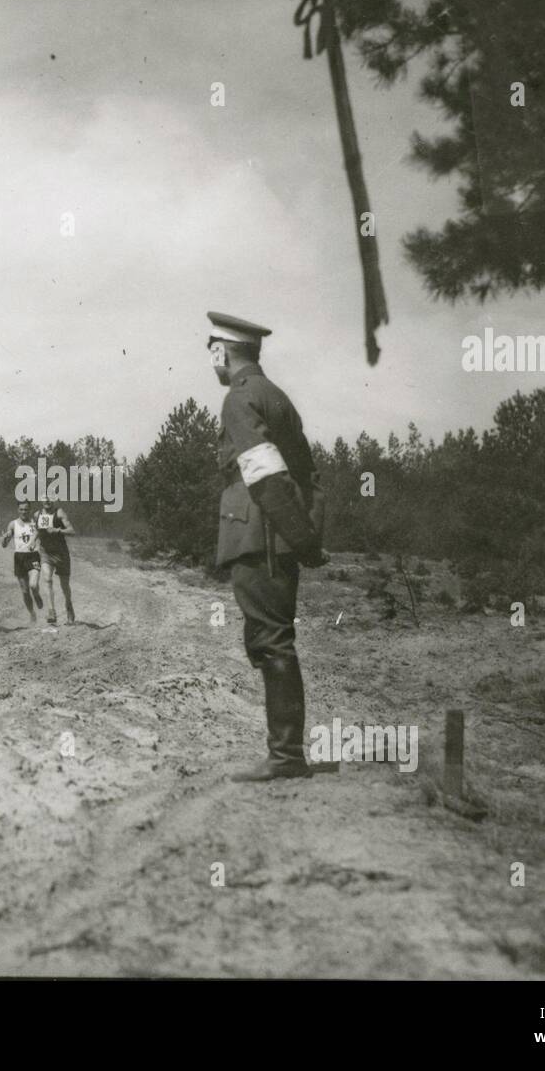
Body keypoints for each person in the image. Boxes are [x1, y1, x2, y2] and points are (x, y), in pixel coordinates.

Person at [209, 311, 327, 782]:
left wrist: (298, 539)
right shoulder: (276, 397)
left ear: (221, 351)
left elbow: (266, 475)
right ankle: (287, 753)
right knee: (275, 640)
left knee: (271, 642)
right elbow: (309, 478)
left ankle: (285, 757)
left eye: (211, 352)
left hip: (260, 538)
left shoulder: (240, 399)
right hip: (279, 537)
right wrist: (308, 537)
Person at [1, 501, 44, 623]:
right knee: (25, 591)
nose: (24, 512)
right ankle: (32, 613)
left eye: (26, 509)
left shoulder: (35, 523)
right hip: (19, 557)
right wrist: (5, 538)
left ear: (29, 510)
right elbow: (4, 545)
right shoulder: (13, 524)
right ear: (18, 510)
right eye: (21, 509)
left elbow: (43, 534)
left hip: (33, 556)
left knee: (33, 585)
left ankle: (36, 594)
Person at [35, 499, 76, 625]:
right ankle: (51, 611)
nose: (47, 501)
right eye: (44, 498)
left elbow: (72, 531)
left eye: (50, 498)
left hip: (61, 553)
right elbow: (37, 530)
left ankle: (69, 607)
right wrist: (33, 541)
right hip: (46, 552)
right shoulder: (37, 515)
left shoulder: (59, 513)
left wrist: (57, 530)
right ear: (41, 500)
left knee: (65, 586)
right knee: (47, 579)